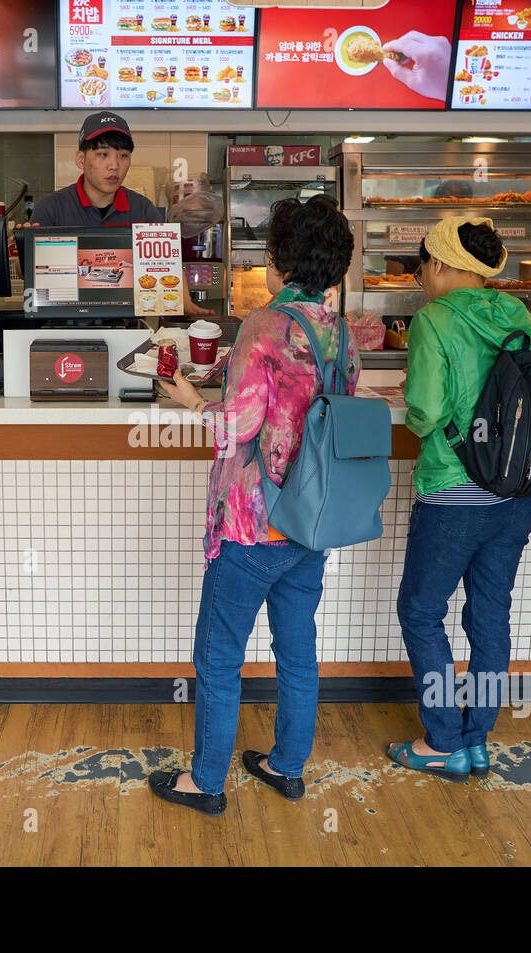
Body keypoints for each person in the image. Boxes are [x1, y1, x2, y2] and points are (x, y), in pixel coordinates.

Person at [147, 195, 358, 816]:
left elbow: (236, 427)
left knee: (218, 653)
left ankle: (206, 782)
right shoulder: (338, 331)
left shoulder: (263, 327)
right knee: (297, 649)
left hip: (254, 522)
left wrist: (190, 398)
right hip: (311, 520)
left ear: (277, 261)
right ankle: (286, 767)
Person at [388, 217, 531, 782]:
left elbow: (427, 412)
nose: (421, 278)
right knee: (489, 615)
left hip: (454, 493)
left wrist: (407, 398)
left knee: (422, 613)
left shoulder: (433, 320)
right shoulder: (520, 317)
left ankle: (442, 742)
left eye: (422, 265)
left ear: (439, 263)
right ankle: (477, 740)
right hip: (514, 491)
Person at [24, 110, 211, 316]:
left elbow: (168, 264)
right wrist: (28, 245)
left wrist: (184, 301)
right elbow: (36, 278)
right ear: (80, 159)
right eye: (103, 154)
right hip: (62, 325)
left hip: (128, 327)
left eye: (123, 155)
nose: (114, 166)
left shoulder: (143, 209)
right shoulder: (51, 207)